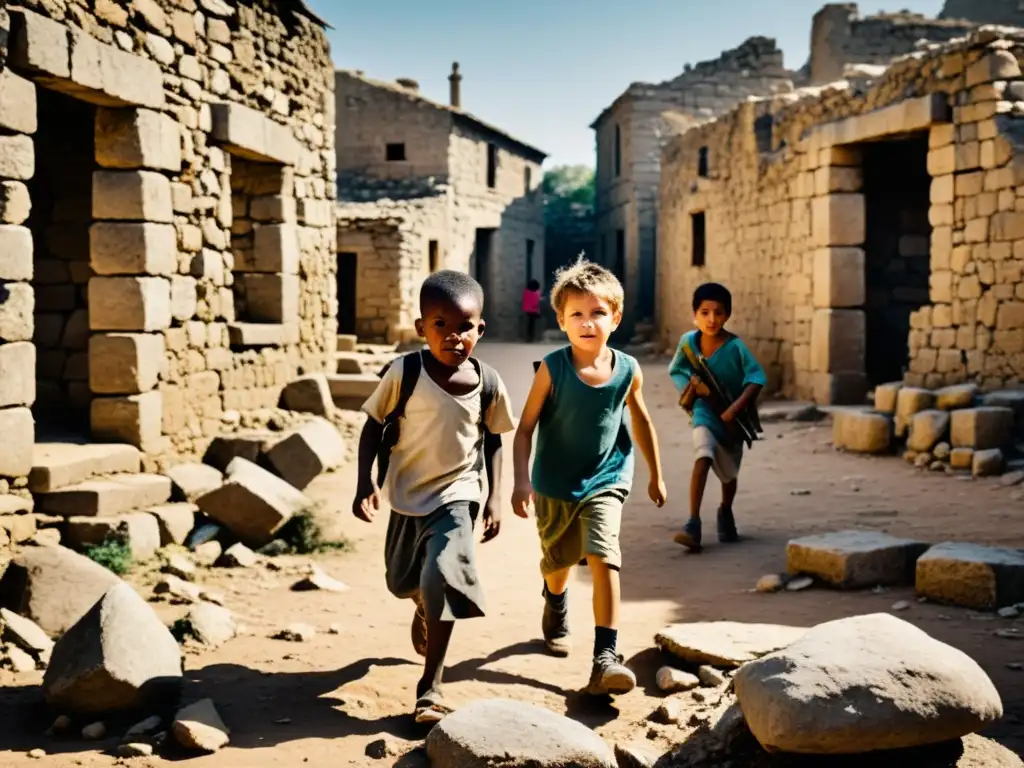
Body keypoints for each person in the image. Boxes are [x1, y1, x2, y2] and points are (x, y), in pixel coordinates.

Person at [352, 269, 516, 723]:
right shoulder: (404, 371)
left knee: (443, 571)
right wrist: (364, 481)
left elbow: (496, 439)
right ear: (422, 327)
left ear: (480, 328)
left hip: (459, 493)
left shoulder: (488, 382)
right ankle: (422, 603)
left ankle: (432, 686)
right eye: (440, 325)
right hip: (406, 494)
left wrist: (495, 498)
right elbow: (372, 426)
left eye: (465, 326)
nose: (454, 336)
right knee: (402, 581)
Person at [511, 257, 667, 696]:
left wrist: (655, 474)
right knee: (559, 564)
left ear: (615, 318)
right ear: (561, 320)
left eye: (598, 312)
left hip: (607, 477)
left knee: (603, 555)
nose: (587, 322)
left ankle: (605, 658)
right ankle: (555, 600)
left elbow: (641, 422)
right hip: (555, 483)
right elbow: (524, 429)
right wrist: (522, 481)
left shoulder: (628, 370)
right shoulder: (552, 369)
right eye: (576, 314)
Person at [668, 282, 766, 552]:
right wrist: (692, 389)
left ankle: (725, 511)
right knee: (703, 454)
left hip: (732, 419)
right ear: (694, 314)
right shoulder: (688, 343)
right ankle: (693, 522)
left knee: (729, 473)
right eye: (705, 312)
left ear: (728, 314)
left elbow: (757, 378)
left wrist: (735, 409)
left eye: (719, 313)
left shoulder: (735, 347)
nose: (712, 319)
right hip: (704, 411)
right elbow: (676, 370)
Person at [522, 278, 542, 342]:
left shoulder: (526, 292)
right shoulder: (536, 293)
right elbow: (536, 302)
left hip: (527, 310)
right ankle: (532, 338)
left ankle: (528, 337)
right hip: (534, 311)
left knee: (529, 324)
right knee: (532, 325)